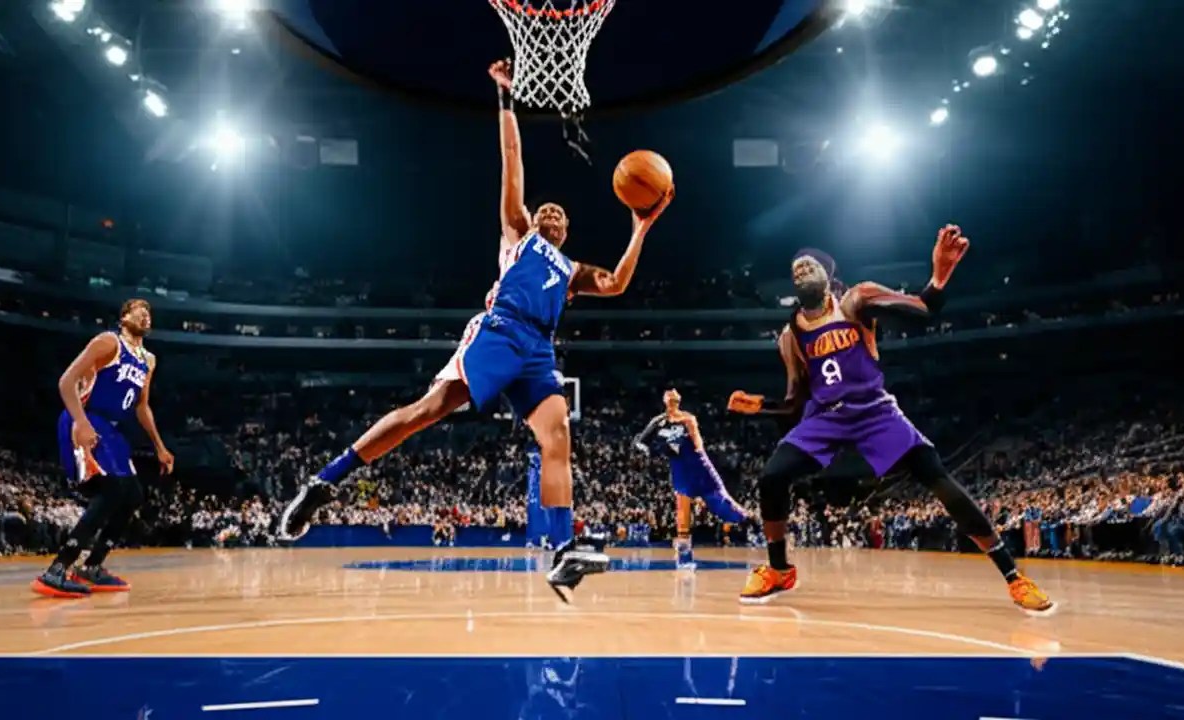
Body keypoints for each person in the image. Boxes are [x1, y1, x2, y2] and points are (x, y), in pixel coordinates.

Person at [277, 59, 673, 602]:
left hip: (537, 349)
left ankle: (562, 549)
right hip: (500, 331)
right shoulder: (517, 234)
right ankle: (324, 483)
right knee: (427, 411)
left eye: (561, 214)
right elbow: (512, 160)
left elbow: (620, 282)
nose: (552, 212)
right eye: (546, 209)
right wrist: (505, 99)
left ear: (567, 231)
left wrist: (642, 226)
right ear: (535, 221)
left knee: (557, 435)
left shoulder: (572, 272)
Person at [727, 226, 1055, 615]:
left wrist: (940, 275)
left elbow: (922, 310)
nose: (799, 270)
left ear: (829, 275)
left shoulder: (856, 300)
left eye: (807, 265)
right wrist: (760, 406)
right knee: (772, 477)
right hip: (826, 416)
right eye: (794, 268)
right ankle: (780, 570)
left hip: (872, 409)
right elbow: (795, 401)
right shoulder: (791, 335)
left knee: (936, 476)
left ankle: (1014, 576)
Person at [32, 299, 174, 598]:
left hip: (113, 430)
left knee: (133, 495)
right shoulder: (108, 342)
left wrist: (160, 446)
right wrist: (81, 423)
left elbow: (142, 406)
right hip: (87, 418)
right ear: (124, 318)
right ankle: (57, 569)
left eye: (149, 314)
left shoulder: (148, 360)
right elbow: (66, 381)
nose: (146, 317)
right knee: (112, 490)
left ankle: (93, 566)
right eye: (140, 312)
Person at [633, 389, 754, 570]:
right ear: (665, 400)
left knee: (722, 503)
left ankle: (753, 523)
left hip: (697, 462)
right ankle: (684, 557)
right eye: (668, 394)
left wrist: (680, 445)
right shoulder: (657, 423)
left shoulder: (688, 419)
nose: (671, 394)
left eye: (674, 394)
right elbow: (641, 443)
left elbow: (698, 445)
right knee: (682, 509)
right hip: (679, 467)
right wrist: (656, 449)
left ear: (678, 400)